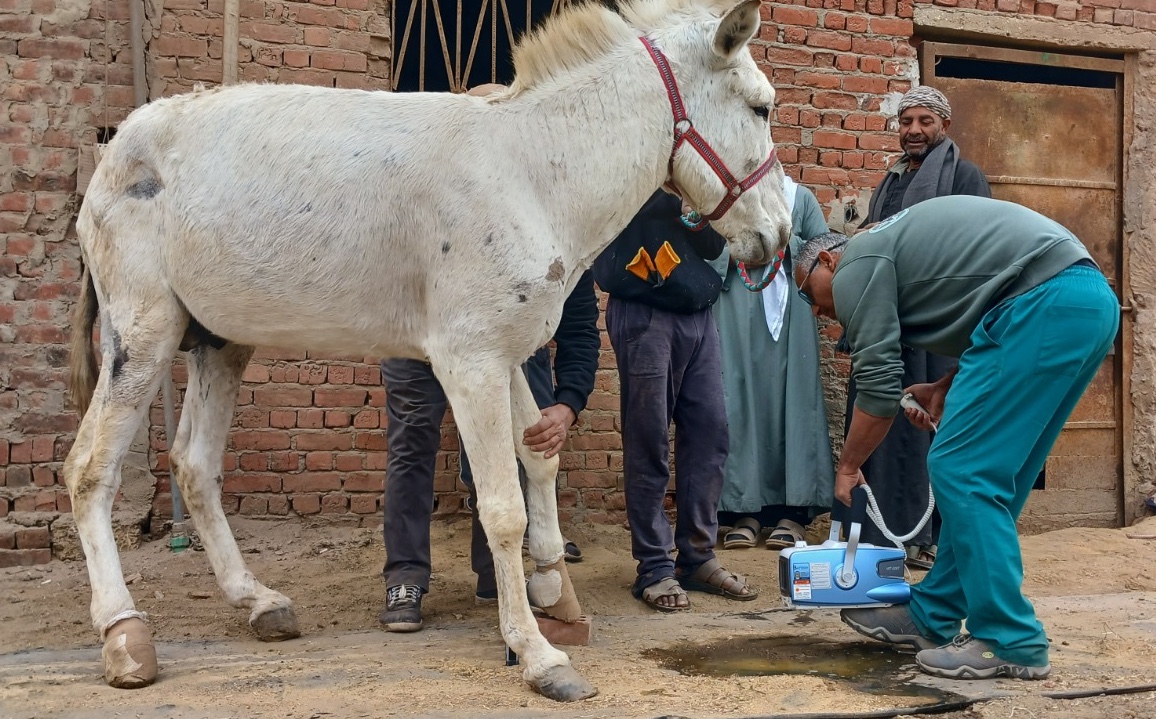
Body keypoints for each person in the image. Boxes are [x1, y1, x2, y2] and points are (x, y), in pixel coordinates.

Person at [795, 196, 1118, 680]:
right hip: (1079, 301)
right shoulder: (893, 251)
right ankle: (933, 613)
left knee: (961, 470)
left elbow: (880, 387)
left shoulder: (856, 260)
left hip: (1042, 301)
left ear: (827, 260)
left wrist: (847, 466)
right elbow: (984, 308)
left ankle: (1010, 638)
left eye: (809, 292)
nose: (819, 310)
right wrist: (943, 388)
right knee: (992, 480)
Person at [378, 267, 599, 632]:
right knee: (411, 444)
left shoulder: (566, 239)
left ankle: (495, 574)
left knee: (520, 450)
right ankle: (405, 577)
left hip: (508, 344)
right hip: (417, 336)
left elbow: (578, 327)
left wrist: (568, 404)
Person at [848, 85, 992, 569]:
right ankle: (886, 532)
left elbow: (976, 247)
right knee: (887, 424)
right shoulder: (889, 182)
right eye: (906, 121)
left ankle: (931, 537)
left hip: (941, 326)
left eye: (924, 121)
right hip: (891, 325)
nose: (913, 130)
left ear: (944, 126)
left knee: (934, 425)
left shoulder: (965, 175)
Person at [593, 189, 758, 612]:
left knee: (710, 434)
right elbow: (609, 207)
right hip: (644, 307)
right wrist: (675, 196)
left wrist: (697, 212)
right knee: (648, 438)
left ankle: (697, 557)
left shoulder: (691, 176)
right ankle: (654, 566)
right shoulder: (630, 157)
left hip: (697, 312)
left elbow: (712, 245)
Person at [710, 176, 834, 551]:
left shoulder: (801, 197)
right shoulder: (723, 199)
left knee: (793, 401)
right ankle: (740, 511)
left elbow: (824, 251)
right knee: (737, 401)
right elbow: (708, 248)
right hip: (733, 305)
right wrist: (737, 246)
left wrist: (781, 241)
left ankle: (792, 513)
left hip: (790, 307)